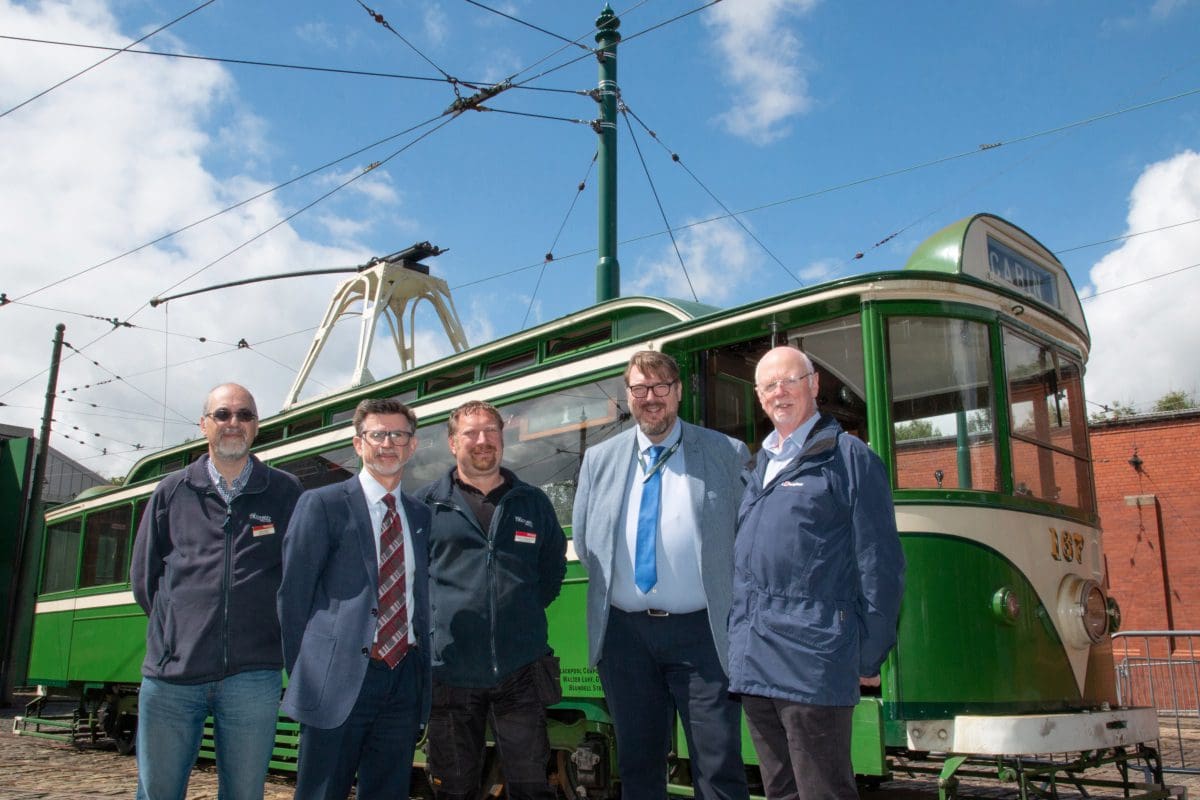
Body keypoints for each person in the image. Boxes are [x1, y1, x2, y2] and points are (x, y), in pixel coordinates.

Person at [728, 345, 905, 800]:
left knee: (823, 791)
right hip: (756, 657)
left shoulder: (849, 458)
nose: (780, 392)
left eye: (790, 380)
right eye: (769, 385)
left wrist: (868, 653)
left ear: (814, 385)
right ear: (759, 396)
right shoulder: (758, 464)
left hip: (814, 659)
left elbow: (879, 563)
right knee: (779, 790)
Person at [572, 350, 751, 800]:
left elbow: (747, 540)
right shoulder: (599, 459)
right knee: (638, 766)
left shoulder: (725, 454)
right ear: (627, 395)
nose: (651, 398)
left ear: (678, 392)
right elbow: (586, 540)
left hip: (702, 635)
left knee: (718, 764)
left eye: (660, 388)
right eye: (640, 389)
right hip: (626, 638)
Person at [130, 383, 303, 800]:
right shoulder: (172, 491)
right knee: (158, 792)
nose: (233, 423)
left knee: (244, 794)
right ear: (204, 424)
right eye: (222, 414)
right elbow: (144, 579)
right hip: (172, 677)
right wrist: (177, 634)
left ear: (256, 426)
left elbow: (296, 576)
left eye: (244, 415)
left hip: (253, 676)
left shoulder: (285, 491)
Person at [278, 398, 432, 800]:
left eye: (398, 435)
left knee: (388, 791)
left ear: (412, 446)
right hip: (335, 678)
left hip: (403, 678)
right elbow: (293, 597)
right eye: (377, 434)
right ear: (358, 443)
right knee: (322, 791)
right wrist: (311, 674)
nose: (387, 443)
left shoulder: (420, 515)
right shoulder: (321, 504)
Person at [415, 400, 567, 800]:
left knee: (531, 786)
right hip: (450, 673)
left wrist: (520, 614)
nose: (482, 441)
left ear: (503, 437)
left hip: (521, 669)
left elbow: (552, 571)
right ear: (452, 442)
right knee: (455, 790)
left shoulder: (532, 502)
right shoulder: (425, 506)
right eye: (471, 433)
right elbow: (413, 581)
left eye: (491, 431)